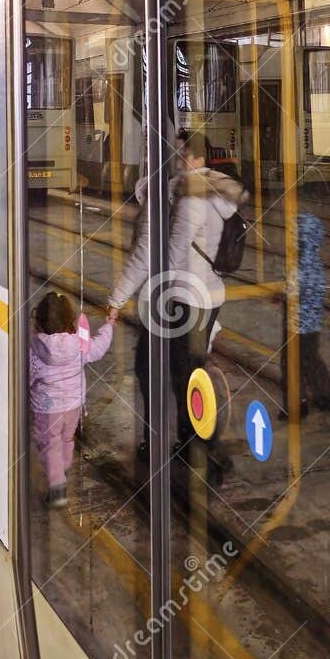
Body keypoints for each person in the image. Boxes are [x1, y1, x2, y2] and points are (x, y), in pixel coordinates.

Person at [110, 132, 246, 479]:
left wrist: (120, 298)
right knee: (187, 374)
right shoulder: (215, 192)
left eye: (184, 154)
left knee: (165, 372)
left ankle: (198, 446)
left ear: (198, 159)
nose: (179, 159)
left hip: (182, 299)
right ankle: (193, 443)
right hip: (206, 297)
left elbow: (163, 257)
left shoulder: (189, 199)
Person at [29, 289, 115, 508]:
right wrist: (108, 325)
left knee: (49, 444)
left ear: (39, 320)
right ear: (69, 319)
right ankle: (62, 468)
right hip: (73, 407)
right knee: (67, 439)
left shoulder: (35, 349)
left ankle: (57, 487)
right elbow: (98, 348)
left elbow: (27, 376)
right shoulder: (79, 345)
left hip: (47, 409)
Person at [280, 210, 330, 418]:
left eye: (293, 235)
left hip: (296, 324)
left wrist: (282, 294)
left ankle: (298, 406)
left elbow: (292, 292)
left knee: (292, 365)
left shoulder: (299, 266)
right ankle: (327, 398)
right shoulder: (315, 262)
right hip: (312, 325)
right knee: (311, 361)